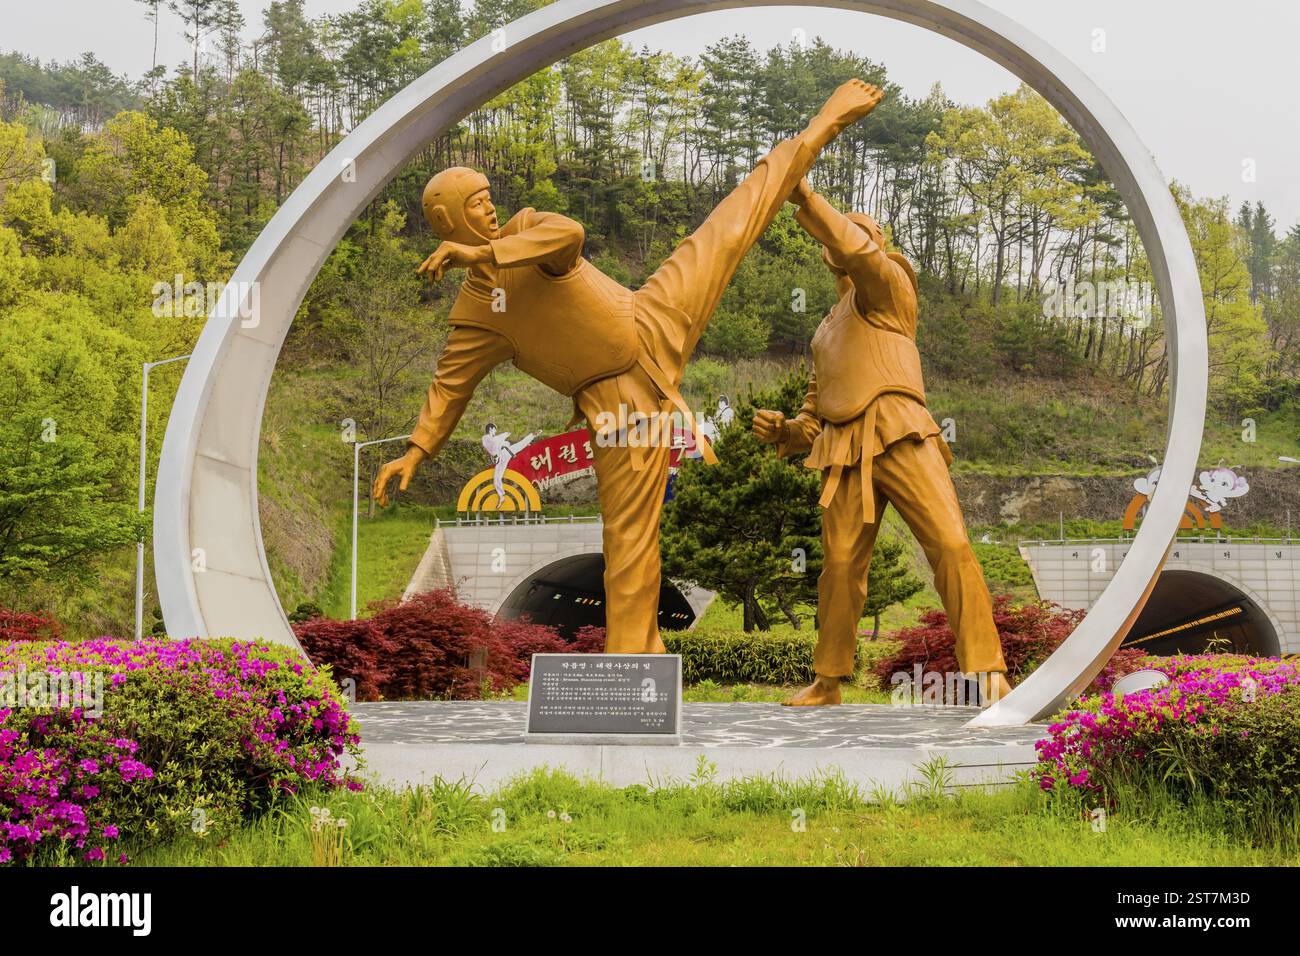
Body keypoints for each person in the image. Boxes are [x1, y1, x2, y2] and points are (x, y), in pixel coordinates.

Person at [374, 80, 886, 654]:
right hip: (616, 399)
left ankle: (824, 121)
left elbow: (569, 235)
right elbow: (449, 388)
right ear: (447, 222)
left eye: (488, 194)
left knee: (733, 219)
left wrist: (486, 251)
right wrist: (415, 451)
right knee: (629, 533)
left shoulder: (525, 233)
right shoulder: (477, 318)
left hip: (652, 312)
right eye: (475, 203)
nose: (490, 206)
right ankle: (634, 653)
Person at [752, 179, 1011, 706]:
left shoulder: (890, 287)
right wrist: (783, 431)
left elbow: (858, 250)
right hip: (844, 450)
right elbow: (813, 417)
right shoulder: (824, 332)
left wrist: (805, 198)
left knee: (952, 543)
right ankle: (827, 681)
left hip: (901, 429)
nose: (847, 238)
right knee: (840, 568)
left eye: (859, 230)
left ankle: (988, 672)